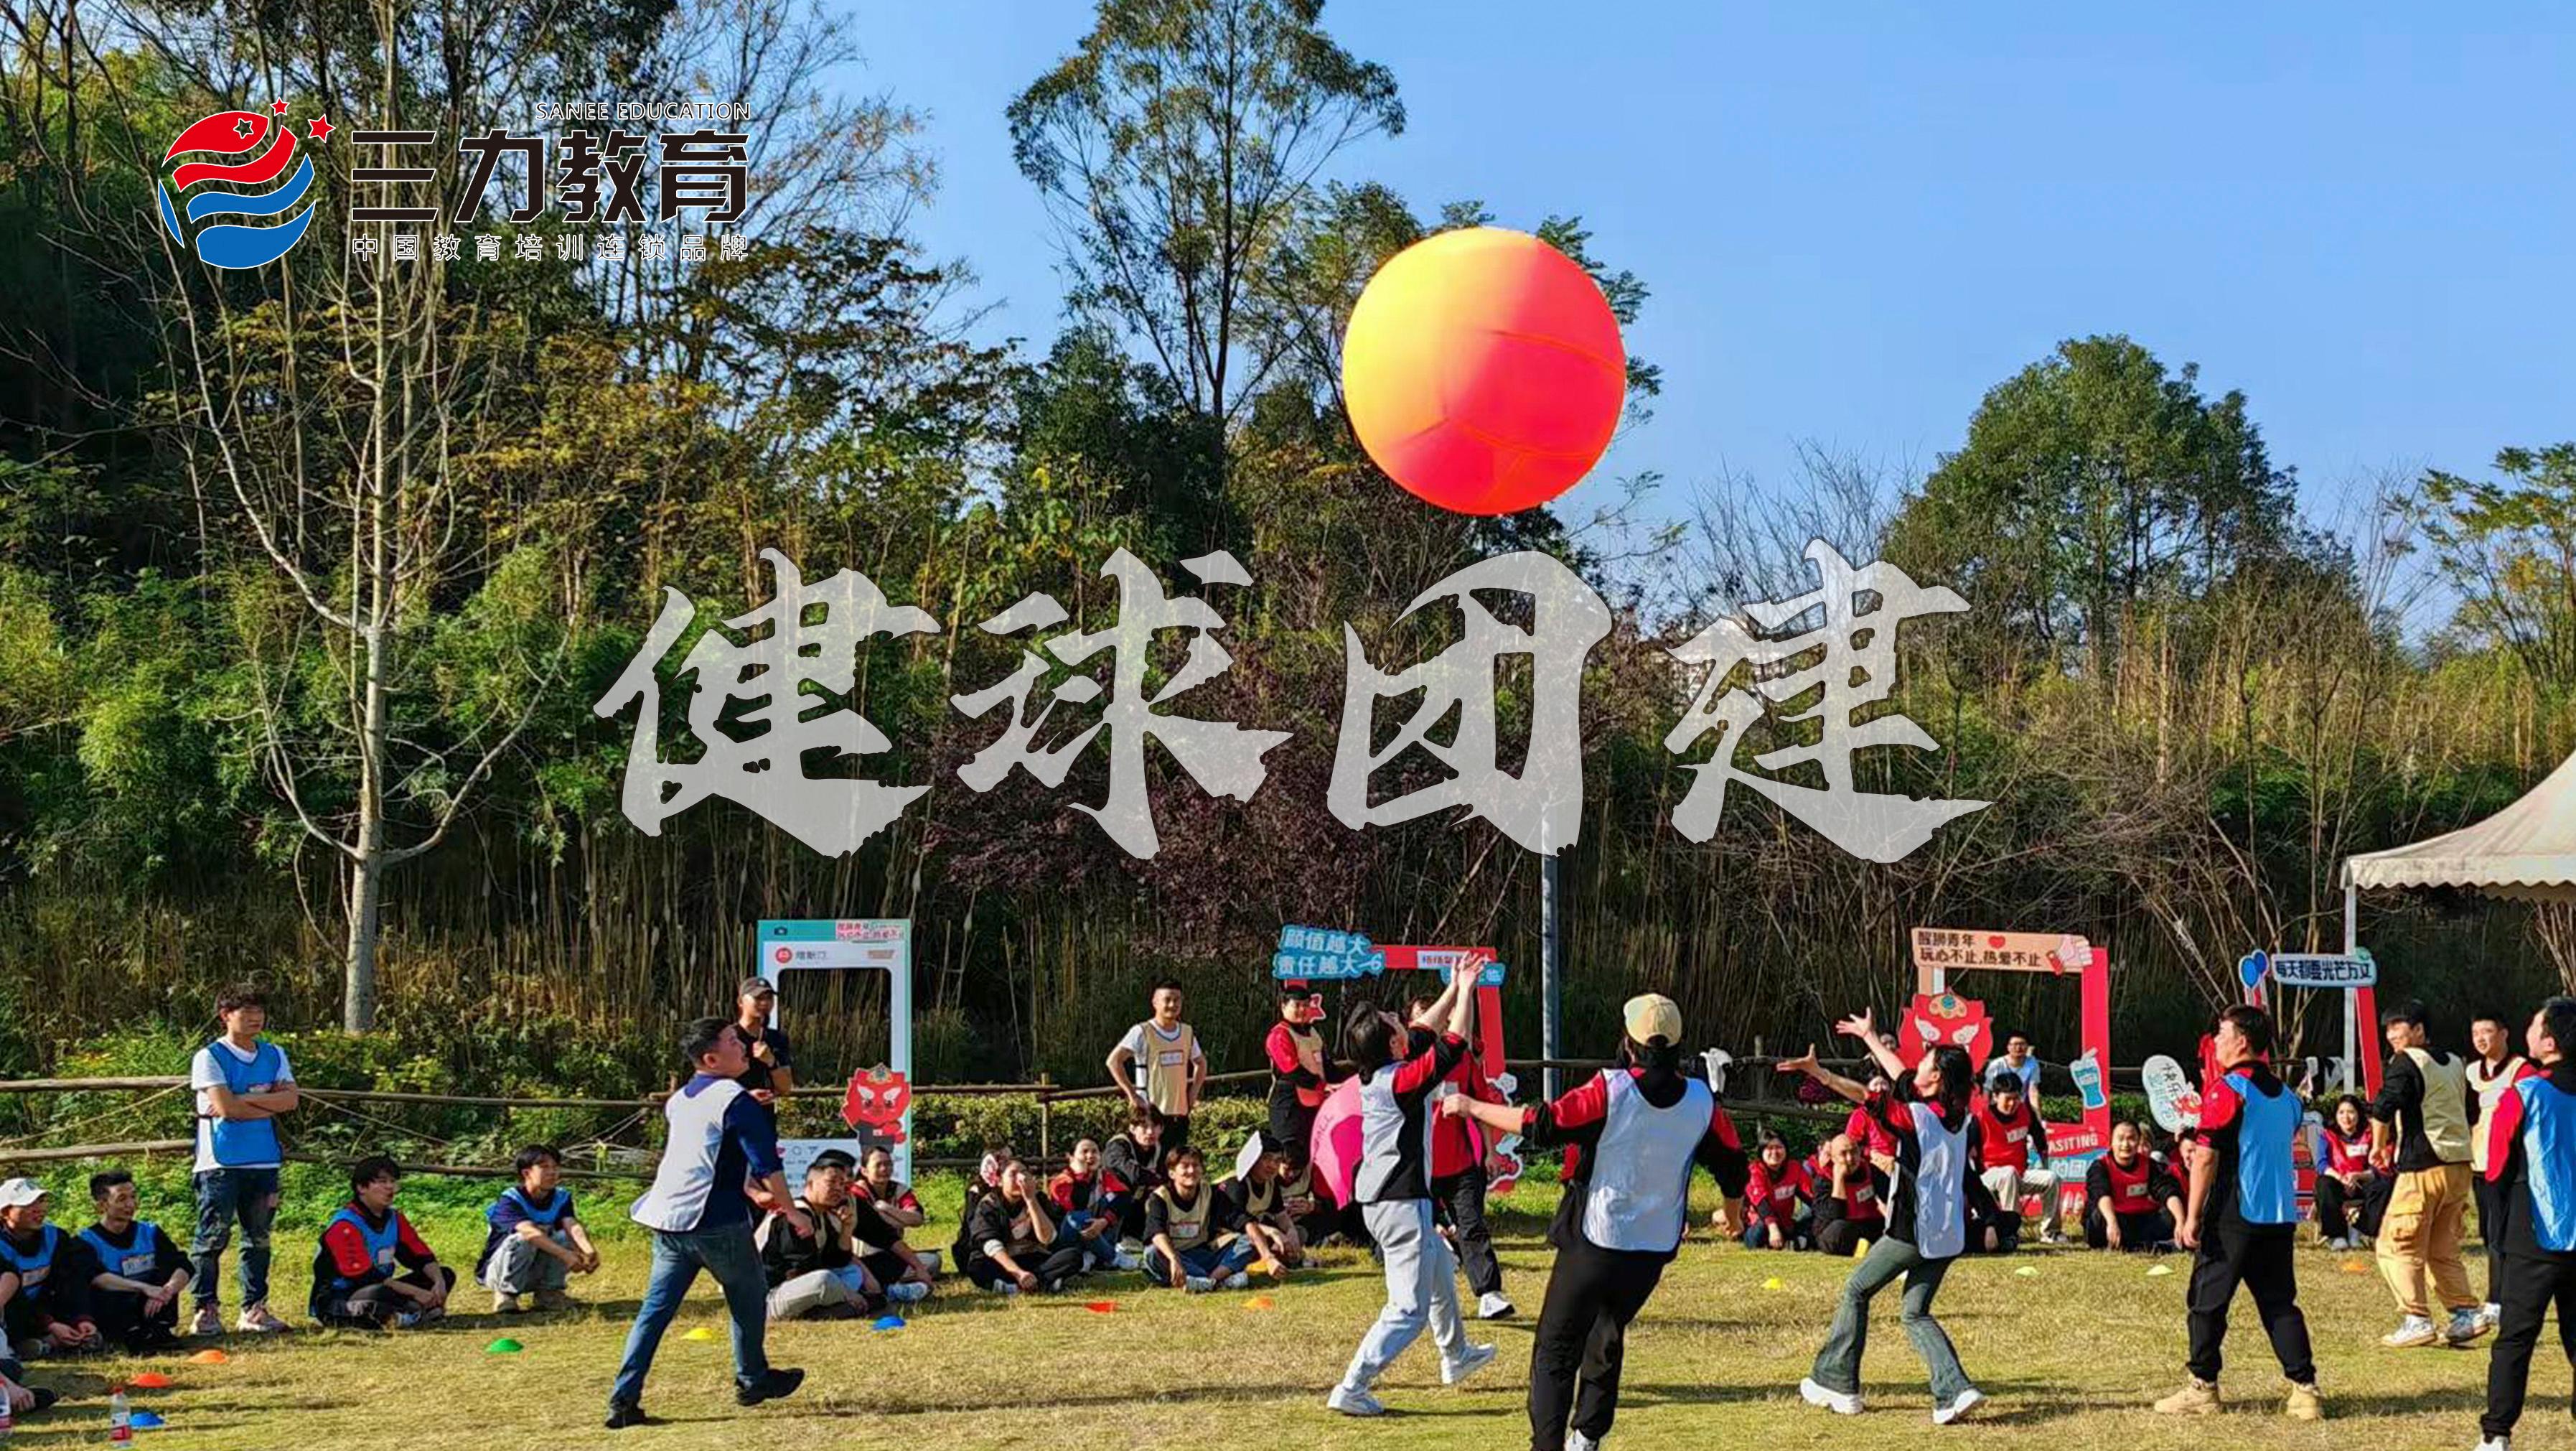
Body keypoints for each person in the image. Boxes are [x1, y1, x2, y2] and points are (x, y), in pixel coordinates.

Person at [1446, 992, 1748, 1451]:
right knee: (1607, 1333)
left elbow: (1542, 1123)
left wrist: (1471, 1106)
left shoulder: (1612, 1090)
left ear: (1628, 1043)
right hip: (1653, 1247)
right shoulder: (1701, 1101)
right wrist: (1733, 1213)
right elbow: (1734, 1167)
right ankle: (1587, 1436)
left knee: (1556, 1346)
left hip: (1596, 1239)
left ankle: (1548, 1444)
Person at [1782, 1019, 1987, 1426]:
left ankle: (1837, 1383)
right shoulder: (1962, 1116)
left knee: (1856, 1289)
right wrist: (1869, 1037)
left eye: (1925, 1061)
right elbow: (1902, 1075)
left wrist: (1821, 1074)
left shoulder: (1916, 1117)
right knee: (1915, 1313)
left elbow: (1866, 1097)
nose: (1916, 1065)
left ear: (1937, 1077)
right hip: (1950, 1235)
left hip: (1914, 1230)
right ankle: (1955, 1391)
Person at [608, 1017, 807, 1430]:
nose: (743, 1047)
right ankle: (752, 1379)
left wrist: (745, 1106)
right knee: (748, 1297)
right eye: (733, 1042)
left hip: (668, 1220)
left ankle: (624, 1399)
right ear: (711, 1059)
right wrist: (792, 1211)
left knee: (654, 1313)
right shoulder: (736, 1102)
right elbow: (767, 1166)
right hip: (716, 1221)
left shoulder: (680, 1099)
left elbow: (708, 1147)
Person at [1324, 968, 1497, 1417]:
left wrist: (1455, 986)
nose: (1400, 1020)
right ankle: (1353, 1386)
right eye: (1393, 1021)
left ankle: (1456, 1355)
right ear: (1394, 1045)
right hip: (1400, 1202)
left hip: (1386, 1199)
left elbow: (1426, 1029)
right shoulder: (1400, 1081)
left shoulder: (1382, 1069)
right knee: (1407, 1310)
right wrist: (1469, 991)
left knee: (1439, 1267)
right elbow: (1454, 1041)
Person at [2153, 1003, 2321, 1420]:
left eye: (2222, 1034)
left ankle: (2202, 1387)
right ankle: (2305, 1390)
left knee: (2207, 1302)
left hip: (2235, 1212)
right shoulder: (2289, 1098)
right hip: (2280, 1213)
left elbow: (2207, 1157)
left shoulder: (2227, 1089)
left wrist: (2192, 1216)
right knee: (2279, 1303)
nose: (2216, 1042)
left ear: (2242, 1041)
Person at [2473, 996, 2576, 1451]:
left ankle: (2497, 1433)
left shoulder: (2525, 1092)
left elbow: (2494, 1168)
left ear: (2549, 1042)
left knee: (2515, 1338)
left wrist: (2498, 1229)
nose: (2528, 1031)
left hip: (2534, 1233)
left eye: (2535, 1025)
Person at [2370, 998, 2485, 1348]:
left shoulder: (2407, 1061)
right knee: (2441, 1248)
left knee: (2396, 1245)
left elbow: (2383, 1106)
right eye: (2388, 1029)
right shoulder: (2454, 1063)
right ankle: (2465, 1314)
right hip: (2459, 1166)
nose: (2392, 1035)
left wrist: (2378, 1146)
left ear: (2419, 1030)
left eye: (2398, 1027)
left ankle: (2416, 1319)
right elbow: (2471, 1111)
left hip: (2422, 1167)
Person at [187, 982, 299, 1337]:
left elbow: (291, 1101)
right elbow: (226, 1109)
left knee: (259, 1239)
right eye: (246, 1012)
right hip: (220, 1163)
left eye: (259, 1012)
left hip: (264, 1160)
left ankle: (254, 1308)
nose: (255, 1019)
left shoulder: (275, 1054)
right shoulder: (209, 1057)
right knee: (212, 1238)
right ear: (226, 1016)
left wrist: (243, 1100)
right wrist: (264, 1102)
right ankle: (205, 1309)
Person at [1408, 990, 1513, 1320]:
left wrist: (1491, 1152)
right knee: (1418, 1235)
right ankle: (1417, 1300)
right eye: (1423, 1020)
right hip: (1418, 1166)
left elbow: (1481, 1108)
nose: (1432, 1025)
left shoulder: (1463, 1059)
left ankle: (1490, 1294)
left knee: (1472, 1226)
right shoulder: (1404, 1064)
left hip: (1461, 1164)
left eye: (1439, 1018)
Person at [308, 1157, 457, 1330]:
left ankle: (408, 1312)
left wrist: (439, 1282)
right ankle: (411, 1312)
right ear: (361, 1188)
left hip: (384, 1286)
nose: (390, 1187)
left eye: (393, 1181)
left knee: (445, 1274)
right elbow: (364, 1277)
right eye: (382, 1182)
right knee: (378, 1293)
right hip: (341, 1297)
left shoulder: (395, 1219)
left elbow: (421, 1256)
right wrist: (416, 1292)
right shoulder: (344, 1225)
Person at [2468, 1012, 2537, 1335]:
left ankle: (2497, 1299)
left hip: (2508, 1164)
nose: (2481, 1039)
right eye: (2476, 1033)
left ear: (2504, 1033)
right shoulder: (2471, 1072)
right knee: (2487, 1232)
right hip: (2478, 1161)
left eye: (2487, 1031)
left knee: (2500, 1234)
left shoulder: (2521, 1070)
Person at [477, 1144, 599, 1313]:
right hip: (500, 1271)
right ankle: (506, 1295)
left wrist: (589, 1251)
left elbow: (572, 1226)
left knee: (564, 1236)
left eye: (555, 1167)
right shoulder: (510, 1200)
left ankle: (548, 1294)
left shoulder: (561, 1197)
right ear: (527, 1173)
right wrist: (566, 1255)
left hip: (534, 1270)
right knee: (523, 1238)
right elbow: (530, 1233)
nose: (552, 1172)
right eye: (544, 1167)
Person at [76, 1170, 189, 1351]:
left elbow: (183, 1265)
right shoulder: (86, 1241)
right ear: (102, 1205)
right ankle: (128, 1334)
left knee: (168, 1273)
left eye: (133, 1197)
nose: (131, 1204)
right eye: (122, 1199)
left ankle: (159, 1329)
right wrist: (144, 1288)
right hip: (114, 1310)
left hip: (151, 1303)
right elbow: (96, 1277)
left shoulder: (150, 1232)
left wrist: (166, 1292)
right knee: (110, 1287)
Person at [0, 1180, 100, 1356]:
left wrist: (82, 1318)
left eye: (42, 1201)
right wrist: (49, 1324)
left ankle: (68, 1336)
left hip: (44, 1308)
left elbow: (72, 1281)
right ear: (5, 1212)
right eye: (29, 1204)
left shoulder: (56, 1237)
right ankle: (21, 1344)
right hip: (11, 1311)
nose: (39, 1209)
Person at [1145, 1147, 1263, 1292]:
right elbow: (1157, 1233)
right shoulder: (1160, 1197)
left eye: (1196, 1165)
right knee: (1152, 1253)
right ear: (1172, 1173)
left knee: (1251, 1238)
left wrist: (1268, 1256)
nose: (1191, 1171)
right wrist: (1174, 1259)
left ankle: (1209, 1281)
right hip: (1175, 1255)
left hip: (1204, 1254)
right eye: (1185, 1166)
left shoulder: (1211, 1193)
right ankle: (1221, 1279)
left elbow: (1242, 1220)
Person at [962, 1160, 1088, 1294]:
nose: (1020, 1178)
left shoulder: (1039, 1198)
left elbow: (1048, 1238)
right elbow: (989, 1243)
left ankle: (1023, 1286)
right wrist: (1018, 1273)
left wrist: (1031, 1200)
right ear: (1000, 1181)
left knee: (1073, 1256)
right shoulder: (990, 1204)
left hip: (1034, 1257)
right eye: (1013, 1174)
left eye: (1024, 1173)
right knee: (977, 1266)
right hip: (1005, 1261)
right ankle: (1042, 1283)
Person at [1109, 981, 1207, 1152]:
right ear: (1155, 1002)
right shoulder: (1142, 1031)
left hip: (1179, 1114)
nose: (1172, 1005)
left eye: (1177, 1000)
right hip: (1150, 1117)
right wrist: (1132, 1095)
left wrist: (1193, 1094)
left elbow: (1201, 1063)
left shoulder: (1187, 1032)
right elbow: (1114, 1061)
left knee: (1176, 1161)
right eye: (1167, 1000)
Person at [1972, 1066, 2064, 1245]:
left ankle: (2051, 1232)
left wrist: (2044, 1159)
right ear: (1995, 1097)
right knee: (2008, 1173)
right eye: (2008, 1099)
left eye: (2016, 1098)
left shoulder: (2025, 1112)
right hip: (1989, 1178)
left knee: (2052, 1178)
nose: (2012, 1104)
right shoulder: (1981, 1118)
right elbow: (1970, 1151)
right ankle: (2009, 1232)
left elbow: (2039, 1137)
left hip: (2020, 1174)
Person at [2084, 1120, 2183, 1251]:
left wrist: (2181, 1221)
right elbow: (2101, 1194)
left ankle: (2138, 1244)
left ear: (2138, 1141)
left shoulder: (2150, 1165)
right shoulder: (2100, 1166)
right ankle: (2139, 1244)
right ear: (2111, 1142)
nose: (2125, 1144)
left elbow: (2167, 1191)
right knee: (2098, 1220)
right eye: (2120, 1139)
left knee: (2172, 1213)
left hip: (2142, 1218)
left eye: (2131, 1139)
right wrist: (2112, 1222)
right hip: (2114, 1218)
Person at [2312, 1094, 2391, 1251]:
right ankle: (2337, 1235)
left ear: (2359, 1114)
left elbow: (2377, 1166)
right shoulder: (2327, 1135)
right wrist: (2341, 1178)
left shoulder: (2370, 1135)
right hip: (2337, 1181)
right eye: (2341, 1112)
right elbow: (2321, 1164)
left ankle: (2360, 1229)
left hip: (2362, 1181)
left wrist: (2357, 1176)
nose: (2346, 1117)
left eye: (2351, 1112)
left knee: (2384, 1184)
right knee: (2323, 1184)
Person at [1265, 984, 1331, 1170]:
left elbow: (1327, 1064)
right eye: (1297, 1005)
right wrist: (1321, 1085)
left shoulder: (1313, 1032)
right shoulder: (1279, 1035)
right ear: (1284, 1006)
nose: (1302, 1010)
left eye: (1306, 1005)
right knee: (1290, 1159)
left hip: (1316, 1100)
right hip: (1290, 1103)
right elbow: (1292, 1070)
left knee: (1315, 1155)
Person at [1046, 1139, 1135, 1272]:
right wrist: (1081, 1176)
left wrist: (1104, 1221)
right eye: (1085, 1152)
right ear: (1071, 1157)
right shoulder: (1061, 1182)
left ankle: (1093, 1254)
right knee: (1078, 1217)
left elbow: (1125, 1197)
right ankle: (1112, 1257)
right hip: (1068, 1236)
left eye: (1095, 1151)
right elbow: (1076, 1209)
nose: (1090, 1156)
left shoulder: (1103, 1176)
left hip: (1097, 1229)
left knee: (1114, 1198)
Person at [854, 1146, 939, 1282]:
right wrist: (901, 1220)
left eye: (888, 1164)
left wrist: (887, 1209)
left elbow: (917, 1219)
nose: (884, 1169)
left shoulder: (899, 1189)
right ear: (864, 1171)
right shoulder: (856, 1193)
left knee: (934, 1261)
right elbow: (874, 1226)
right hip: (865, 1256)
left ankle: (893, 1279)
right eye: (878, 1165)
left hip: (895, 1251)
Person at [1223, 1139, 1310, 1270]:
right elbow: (1240, 1223)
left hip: (1258, 1232)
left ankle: (1279, 1260)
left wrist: (1291, 1231)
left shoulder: (1271, 1183)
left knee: (1299, 1233)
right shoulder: (1237, 1184)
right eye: (1267, 1159)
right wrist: (1272, 1232)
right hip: (1230, 1237)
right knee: (1250, 1243)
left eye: (1277, 1161)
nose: (1272, 1166)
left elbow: (1281, 1215)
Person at [1098, 1104, 1168, 1243]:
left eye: (1155, 1126)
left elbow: (1165, 1177)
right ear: (1132, 1128)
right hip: (1107, 1202)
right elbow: (1133, 1174)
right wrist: (1157, 1180)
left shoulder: (1158, 1149)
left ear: (1161, 1129)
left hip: (1137, 1201)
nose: (1150, 1132)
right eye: (1144, 1127)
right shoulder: (1118, 1146)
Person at [1809, 1133, 1886, 1257]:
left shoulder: (1871, 1170)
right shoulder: (1823, 1180)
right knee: (1839, 1229)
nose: (1850, 1159)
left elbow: (1886, 1199)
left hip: (1868, 1223)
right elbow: (1836, 1215)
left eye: (1854, 1152)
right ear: (1833, 1158)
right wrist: (1839, 1179)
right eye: (1843, 1154)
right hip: (1838, 1228)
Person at [1743, 1131, 1815, 1250]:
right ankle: (1791, 1243)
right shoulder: (1754, 1171)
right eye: (1769, 1148)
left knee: (1816, 1218)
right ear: (1761, 1152)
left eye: (1779, 1147)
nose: (1775, 1152)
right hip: (1760, 1224)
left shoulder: (1795, 1168)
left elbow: (1810, 1196)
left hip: (1786, 1223)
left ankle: (1793, 1242)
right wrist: (1773, 1228)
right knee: (1761, 1230)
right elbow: (1762, 1204)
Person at [731, 978, 795, 1098]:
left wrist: (771, 1062)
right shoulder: (729, 1037)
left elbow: (786, 1088)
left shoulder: (777, 1038)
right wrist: (747, 1097)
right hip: (735, 1107)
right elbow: (714, 1084)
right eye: (758, 998)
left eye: (769, 998)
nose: (765, 1003)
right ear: (740, 1002)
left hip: (766, 1108)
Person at [1997, 1031, 2044, 1098]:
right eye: (2015, 1044)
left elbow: (2033, 1090)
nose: (2018, 1048)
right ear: (2008, 1047)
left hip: (2020, 1101)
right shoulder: (1998, 1064)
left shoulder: (2032, 1063)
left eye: (2022, 1044)